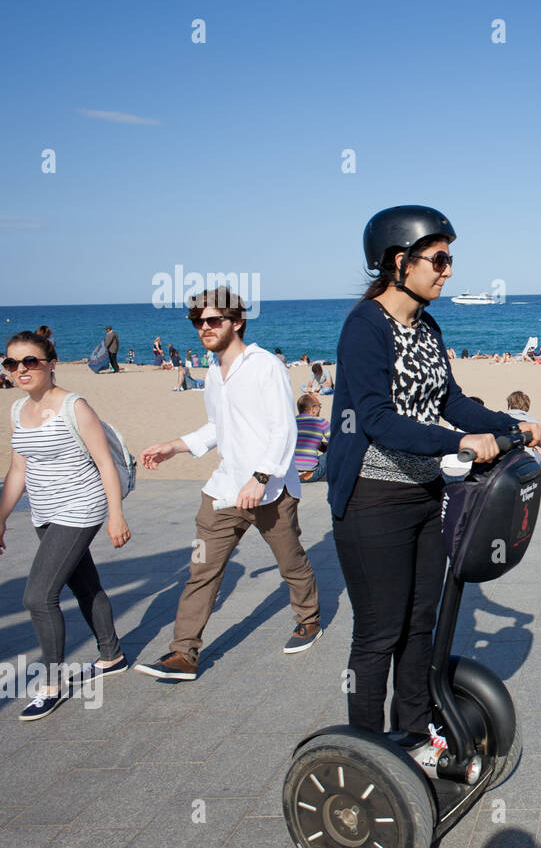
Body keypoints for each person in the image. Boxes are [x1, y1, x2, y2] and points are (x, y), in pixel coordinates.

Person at [326, 205, 541, 740]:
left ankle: (415, 734)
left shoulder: (426, 326)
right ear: (400, 261)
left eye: (450, 260)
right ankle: (367, 748)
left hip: (426, 493)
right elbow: (376, 419)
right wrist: (461, 441)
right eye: (439, 259)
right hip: (371, 499)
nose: (448, 271)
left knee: (420, 625)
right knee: (379, 633)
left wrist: (509, 423)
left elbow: (450, 399)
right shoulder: (364, 328)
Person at [135, 286, 322, 680]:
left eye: (213, 320)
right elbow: (217, 427)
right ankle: (183, 654)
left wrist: (261, 476)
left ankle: (309, 618)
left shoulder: (264, 364)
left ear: (236, 322)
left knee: (291, 562)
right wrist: (176, 446)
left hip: (269, 491)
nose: (204, 327)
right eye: (198, 321)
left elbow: (283, 428)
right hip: (224, 490)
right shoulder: (213, 372)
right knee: (201, 569)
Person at [0, 331, 131, 720]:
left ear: (51, 363)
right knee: (84, 584)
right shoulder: (16, 410)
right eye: (11, 363)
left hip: (81, 508)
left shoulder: (75, 407)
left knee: (38, 597)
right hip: (43, 510)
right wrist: (2, 517)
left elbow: (105, 462)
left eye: (30, 361)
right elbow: (18, 469)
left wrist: (116, 515)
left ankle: (52, 684)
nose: (20, 369)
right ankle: (112, 656)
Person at [506, 390, 541, 474]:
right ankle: (539, 482)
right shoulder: (533, 422)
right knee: (540, 452)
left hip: (506, 455)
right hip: (528, 456)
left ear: (509, 406)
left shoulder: (501, 417)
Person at [294, 394, 329, 483]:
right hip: (311, 475)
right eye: (319, 406)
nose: (320, 408)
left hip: (291, 475)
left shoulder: (292, 421)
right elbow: (336, 443)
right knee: (335, 450)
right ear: (313, 409)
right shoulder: (321, 422)